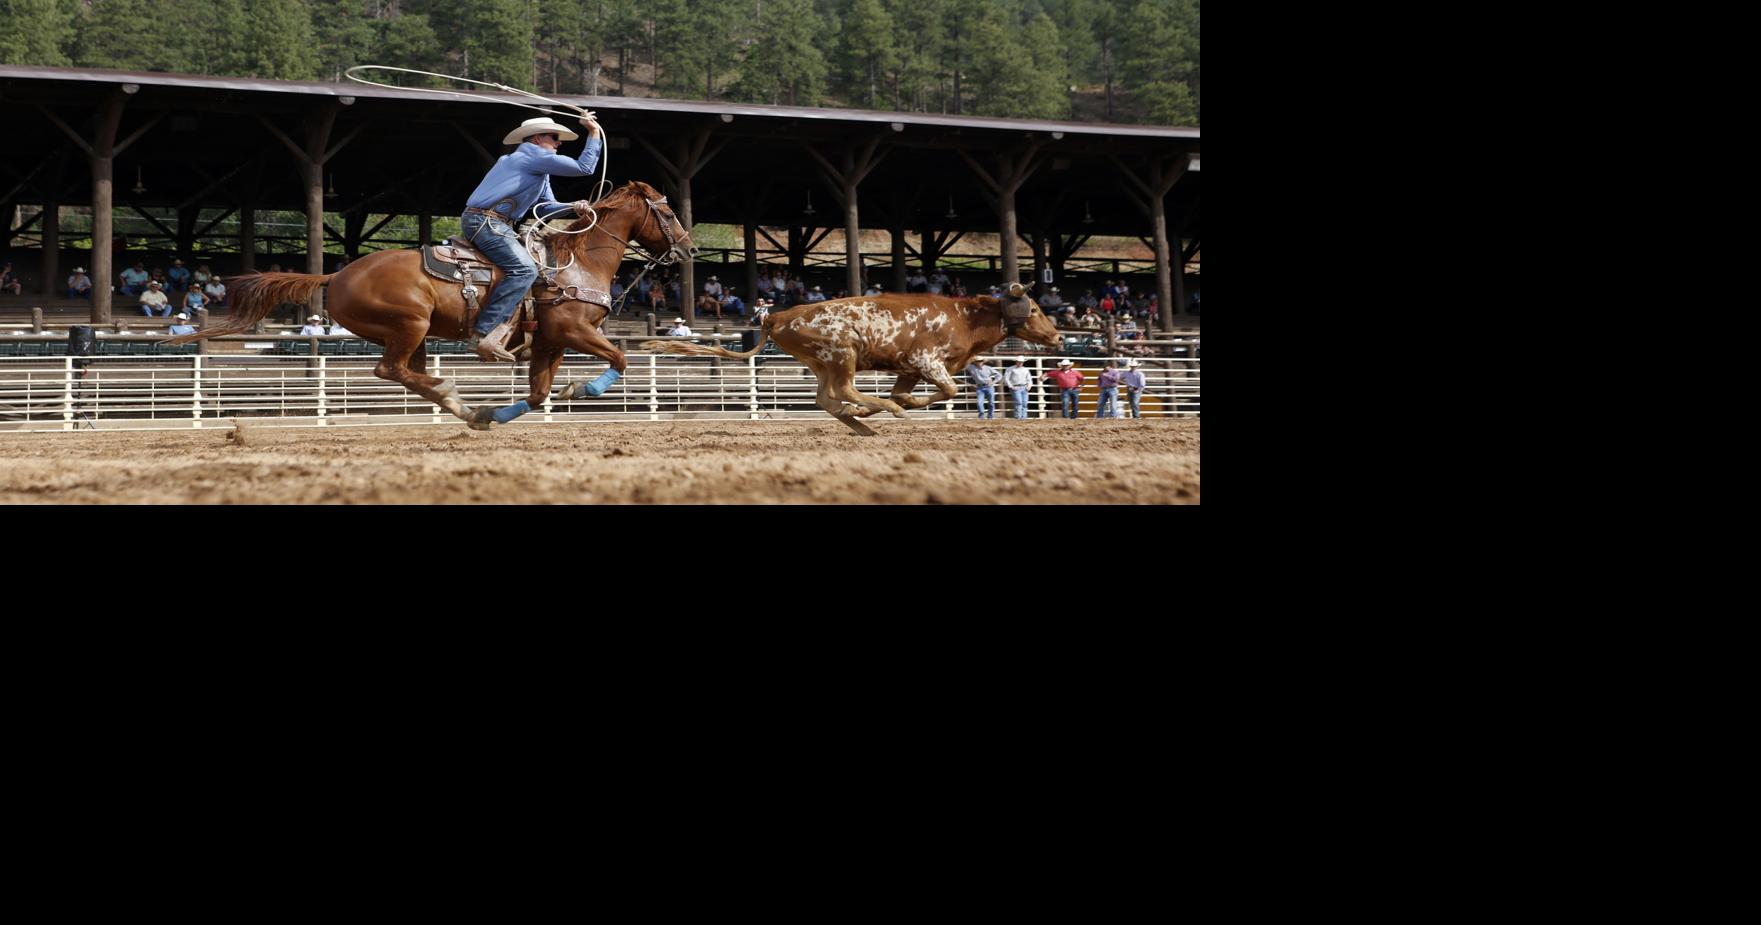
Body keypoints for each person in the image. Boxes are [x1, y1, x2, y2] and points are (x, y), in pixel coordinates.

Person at [460, 113, 604, 362]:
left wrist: (572, 206)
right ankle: (483, 332)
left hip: (491, 222)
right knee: (525, 270)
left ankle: (520, 329)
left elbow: (545, 207)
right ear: (538, 139)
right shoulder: (532, 156)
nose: (559, 143)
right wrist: (593, 133)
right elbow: (585, 168)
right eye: (555, 137)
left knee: (536, 268)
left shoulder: (535, 166)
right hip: (486, 222)